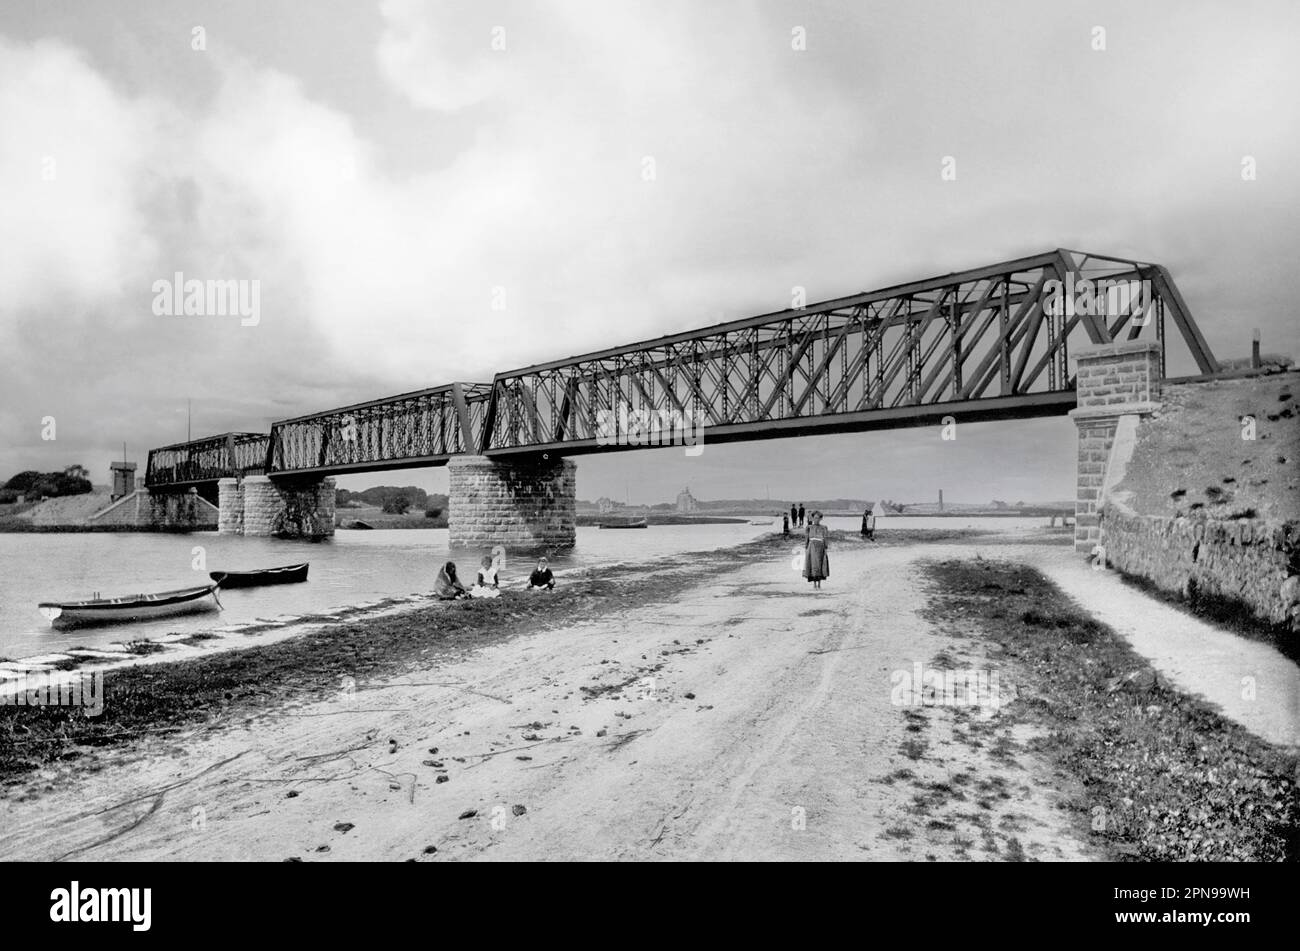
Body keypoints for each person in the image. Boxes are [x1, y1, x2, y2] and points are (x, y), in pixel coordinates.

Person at [803, 510, 829, 590]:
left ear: (820, 519)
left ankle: (819, 584)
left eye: (818, 518)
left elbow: (825, 538)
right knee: (813, 565)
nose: (816, 520)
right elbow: (807, 539)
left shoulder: (824, 528)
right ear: (812, 518)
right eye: (814, 518)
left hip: (820, 547)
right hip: (812, 548)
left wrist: (826, 547)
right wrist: (806, 547)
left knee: (820, 564)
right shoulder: (809, 528)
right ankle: (814, 584)